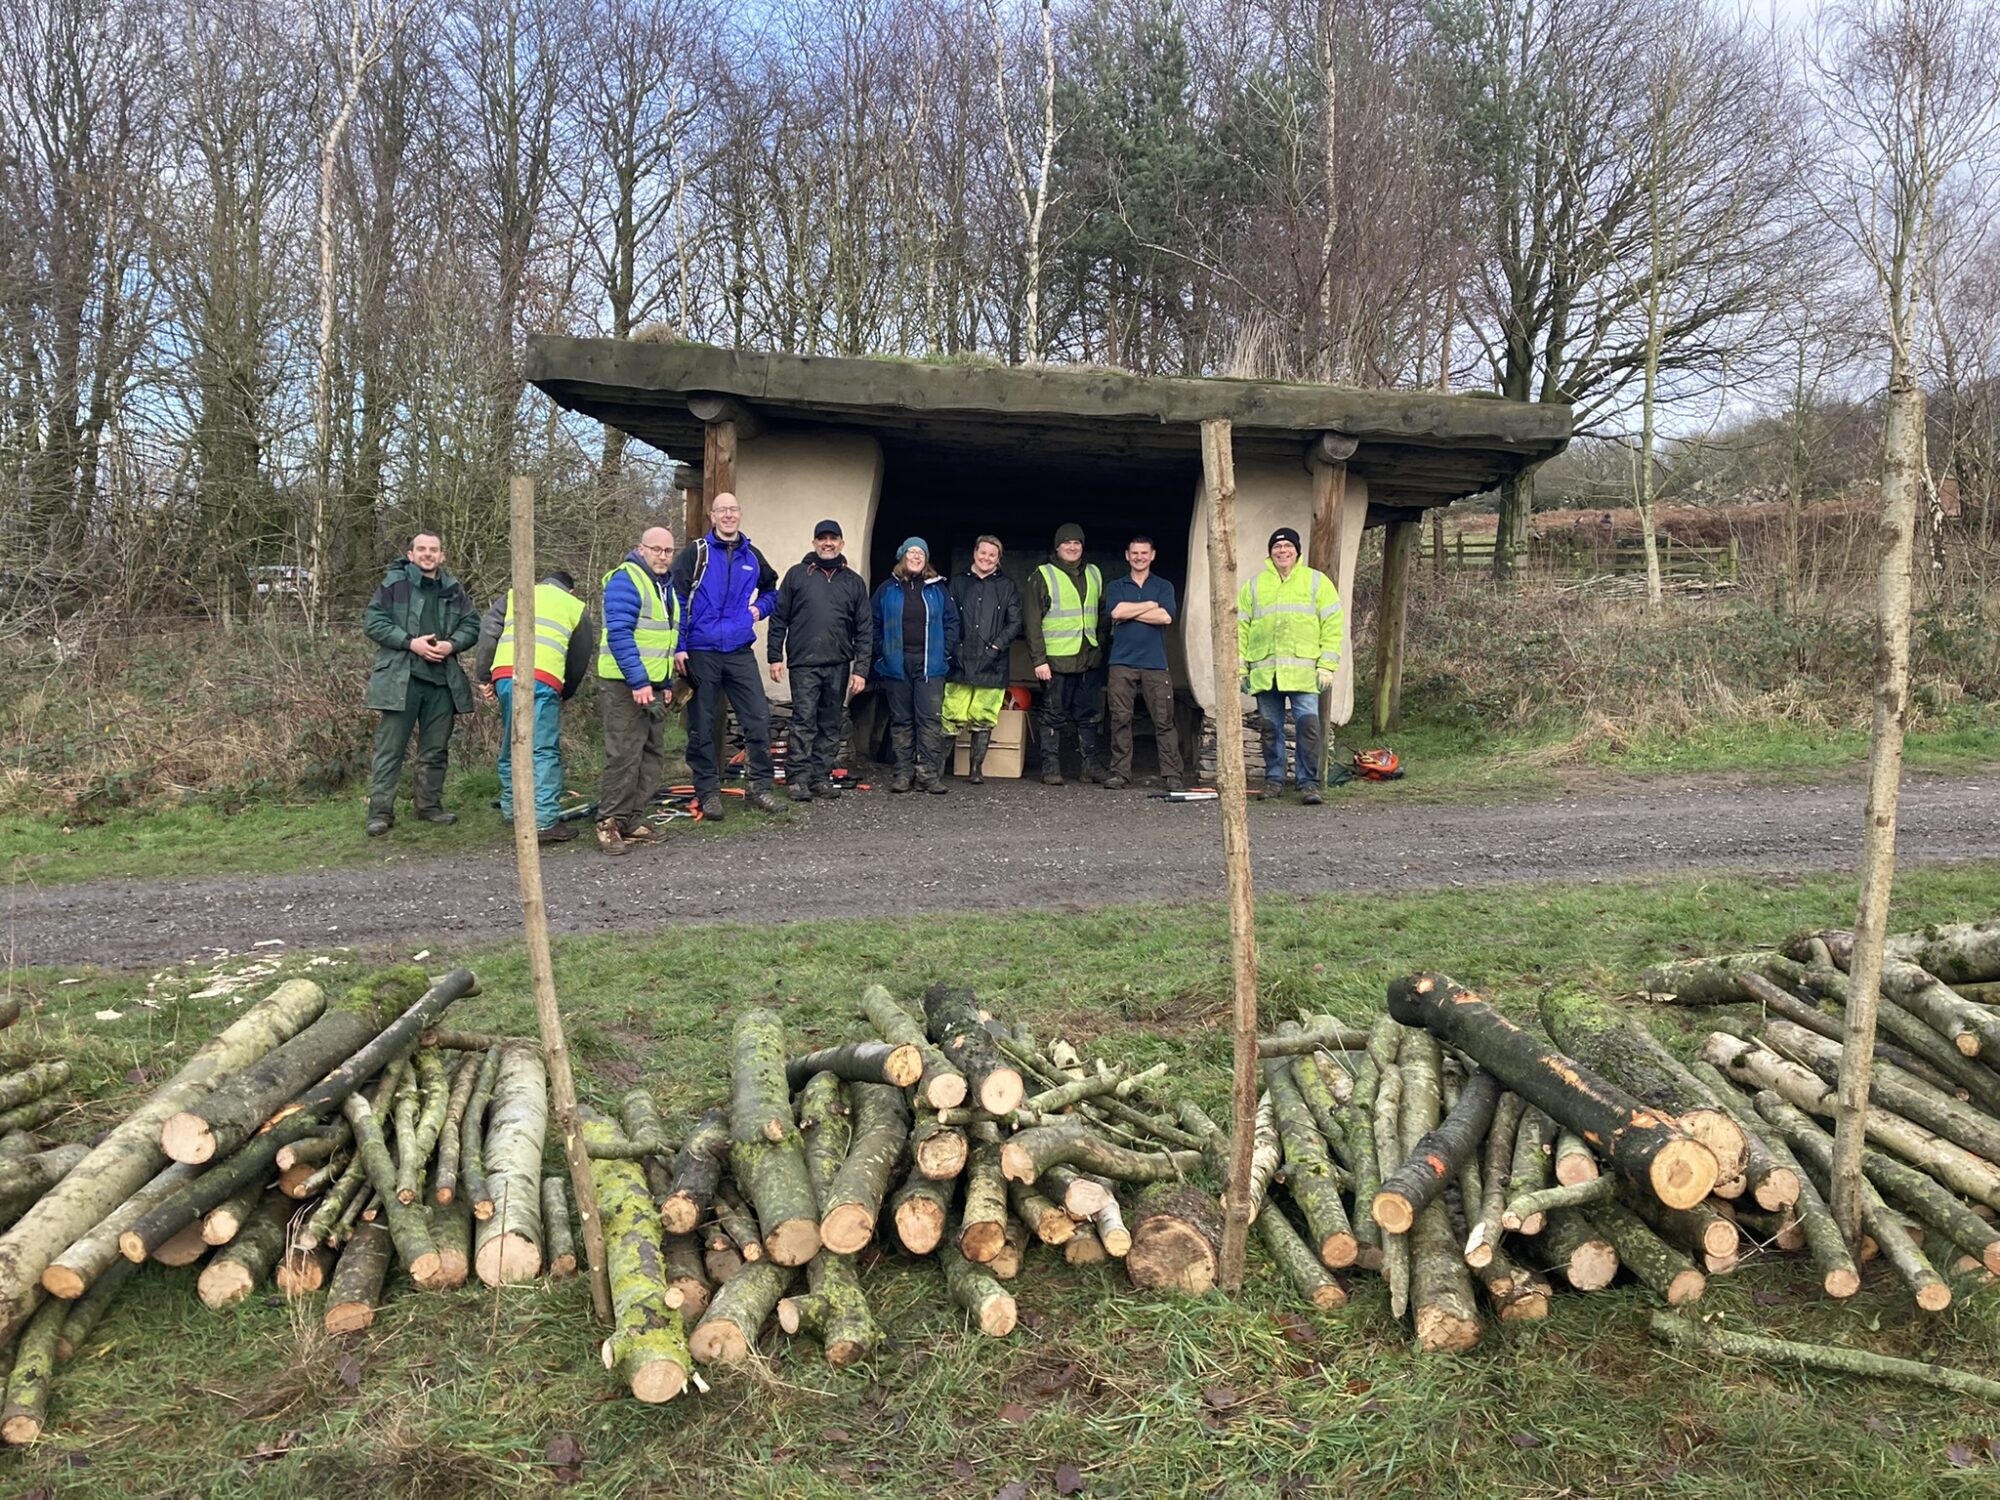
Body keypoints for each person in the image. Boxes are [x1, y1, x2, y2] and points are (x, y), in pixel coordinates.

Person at [362, 532, 481, 836]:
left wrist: (452, 645)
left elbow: (472, 625)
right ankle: (380, 813)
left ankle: (428, 807)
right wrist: (409, 642)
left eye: (434, 550)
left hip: (442, 680)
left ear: (442, 556)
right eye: (422, 549)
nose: (428, 554)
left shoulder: (454, 590)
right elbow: (373, 622)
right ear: (411, 554)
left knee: (436, 748)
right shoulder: (393, 585)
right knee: (390, 749)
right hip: (401, 678)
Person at [673, 492, 780, 820]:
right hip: (701, 649)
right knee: (702, 725)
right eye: (723, 510)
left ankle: (759, 789)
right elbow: (677, 598)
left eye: (734, 509)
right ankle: (707, 792)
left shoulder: (753, 555)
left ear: (740, 514)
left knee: (759, 718)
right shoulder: (696, 553)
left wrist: (757, 610)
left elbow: (773, 590)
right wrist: (679, 645)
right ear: (713, 515)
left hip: (738, 649)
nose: (729, 515)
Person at [470, 570, 597, 844]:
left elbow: (489, 631)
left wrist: (484, 676)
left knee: (512, 742)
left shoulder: (515, 594)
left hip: (505, 674)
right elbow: (579, 658)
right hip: (543, 679)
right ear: (571, 591)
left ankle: (512, 809)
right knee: (543, 750)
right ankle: (543, 821)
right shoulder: (575, 607)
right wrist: (568, 690)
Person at [1237, 526, 1345, 806]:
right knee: (1270, 729)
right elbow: (1240, 630)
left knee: (1308, 727)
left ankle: (1308, 783)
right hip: (1266, 673)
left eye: (1288, 546)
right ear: (1270, 553)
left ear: (1297, 551)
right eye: (1277, 547)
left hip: (1305, 674)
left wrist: (1327, 665)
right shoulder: (1254, 586)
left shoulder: (1316, 582)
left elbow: (1332, 626)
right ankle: (1274, 780)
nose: (1282, 551)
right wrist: (1241, 669)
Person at [769, 519, 872, 802]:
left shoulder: (853, 582)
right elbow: (779, 618)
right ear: (814, 542)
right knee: (803, 721)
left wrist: (861, 669)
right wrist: (775, 655)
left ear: (841, 543)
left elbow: (864, 628)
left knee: (829, 723)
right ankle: (798, 779)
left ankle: (820, 777)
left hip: (838, 663)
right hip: (803, 663)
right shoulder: (797, 575)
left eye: (833, 538)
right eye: (822, 538)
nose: (828, 543)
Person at [595, 526, 680, 854]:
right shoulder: (626, 580)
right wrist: (639, 681)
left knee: (651, 756)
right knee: (624, 755)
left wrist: (666, 683)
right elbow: (619, 633)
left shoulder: (666, 587)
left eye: (668, 551)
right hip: (624, 685)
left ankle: (630, 819)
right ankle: (608, 823)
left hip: (653, 686)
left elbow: (664, 640)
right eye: (656, 549)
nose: (663, 556)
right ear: (640, 549)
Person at [870, 538, 960, 794]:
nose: (916, 556)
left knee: (930, 720)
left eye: (921, 553)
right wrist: (882, 651)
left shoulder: (937, 589)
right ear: (902, 556)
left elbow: (952, 622)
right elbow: (872, 622)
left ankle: (928, 774)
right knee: (901, 720)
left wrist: (944, 653)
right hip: (897, 663)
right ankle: (902, 773)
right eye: (911, 551)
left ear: (926, 559)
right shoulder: (887, 589)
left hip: (931, 664)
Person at [1024, 521, 1106, 786]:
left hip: (1087, 658)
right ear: (1057, 547)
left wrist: (1099, 646)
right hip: (1056, 660)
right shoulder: (1043, 575)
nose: (1072, 547)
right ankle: (1050, 766)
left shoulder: (1094, 573)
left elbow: (1102, 614)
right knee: (1052, 714)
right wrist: (1039, 660)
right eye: (1067, 543)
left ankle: (1090, 766)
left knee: (1089, 714)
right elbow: (1032, 621)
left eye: (1077, 543)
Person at [1102, 535, 1185, 792]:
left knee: (1163, 721)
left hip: (1155, 663)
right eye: (1134, 553)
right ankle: (1120, 773)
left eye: (1144, 553)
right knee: (1120, 719)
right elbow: (1115, 613)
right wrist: (1149, 605)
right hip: (1121, 662)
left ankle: (1172, 773)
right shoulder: (1116, 586)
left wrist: (1132, 610)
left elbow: (1165, 617)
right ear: (1127, 556)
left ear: (1152, 555)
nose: (1139, 557)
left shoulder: (1164, 586)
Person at [944, 535, 1022, 785]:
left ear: (998, 559)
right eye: (983, 552)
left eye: (992, 554)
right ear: (974, 553)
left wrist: (996, 646)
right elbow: (948, 618)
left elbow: (1015, 622)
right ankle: (936, 769)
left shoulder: (1007, 586)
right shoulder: (957, 583)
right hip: (960, 660)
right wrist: (954, 648)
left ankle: (975, 769)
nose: (986, 558)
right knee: (951, 714)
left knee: (984, 716)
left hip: (993, 662)